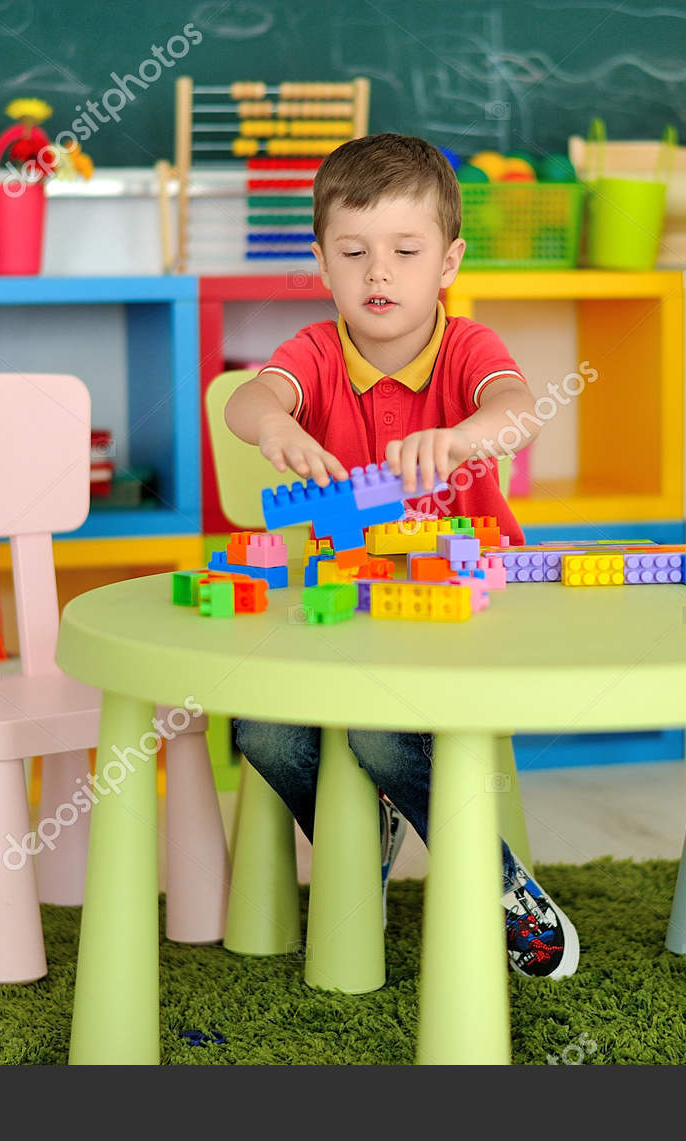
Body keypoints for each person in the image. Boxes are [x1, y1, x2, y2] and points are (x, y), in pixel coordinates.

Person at [222, 133, 578, 979]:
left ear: (448, 261)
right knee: (259, 727)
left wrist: (462, 437)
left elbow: (521, 409)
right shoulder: (315, 352)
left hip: (467, 617)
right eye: (354, 252)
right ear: (322, 261)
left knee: (383, 734)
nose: (378, 274)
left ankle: (497, 883)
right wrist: (275, 424)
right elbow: (249, 398)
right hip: (350, 618)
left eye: (405, 252)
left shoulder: (467, 350)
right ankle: (366, 832)